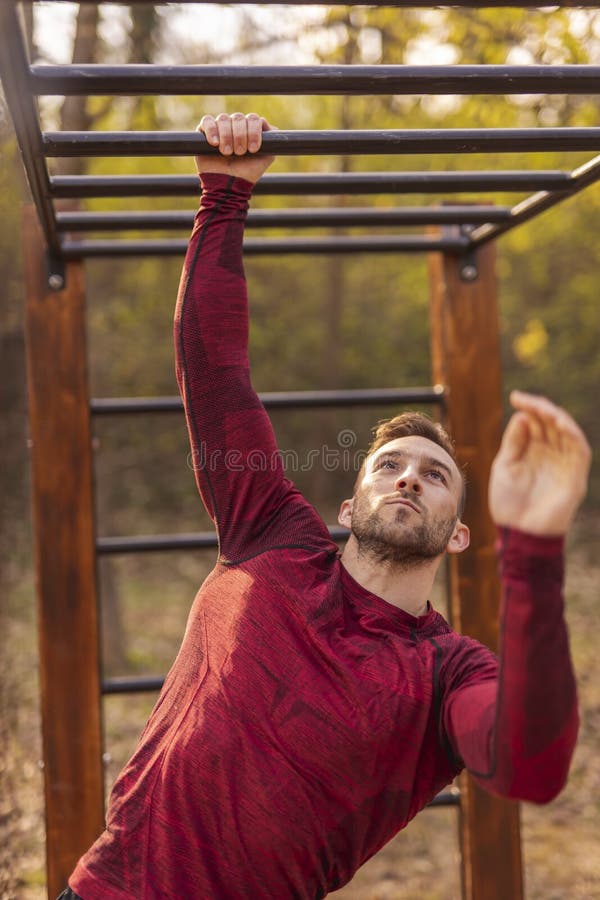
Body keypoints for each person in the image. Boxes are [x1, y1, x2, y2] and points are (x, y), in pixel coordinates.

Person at [64, 113, 591, 900]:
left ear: (458, 536)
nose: (409, 479)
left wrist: (536, 551)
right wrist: (224, 195)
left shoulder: (446, 672)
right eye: (390, 465)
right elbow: (215, 373)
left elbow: (533, 770)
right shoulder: (270, 535)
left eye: (435, 476)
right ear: (348, 505)